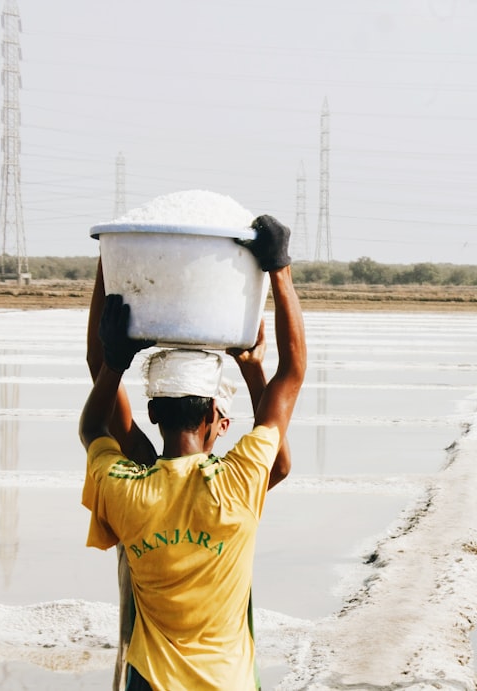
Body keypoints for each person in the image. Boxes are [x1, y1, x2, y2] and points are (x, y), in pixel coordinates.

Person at [79, 215, 306, 691]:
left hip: (150, 680)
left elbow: (94, 419)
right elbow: (293, 375)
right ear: (213, 420)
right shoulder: (237, 482)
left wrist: (111, 262)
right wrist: (279, 270)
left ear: (154, 414)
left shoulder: (126, 483)